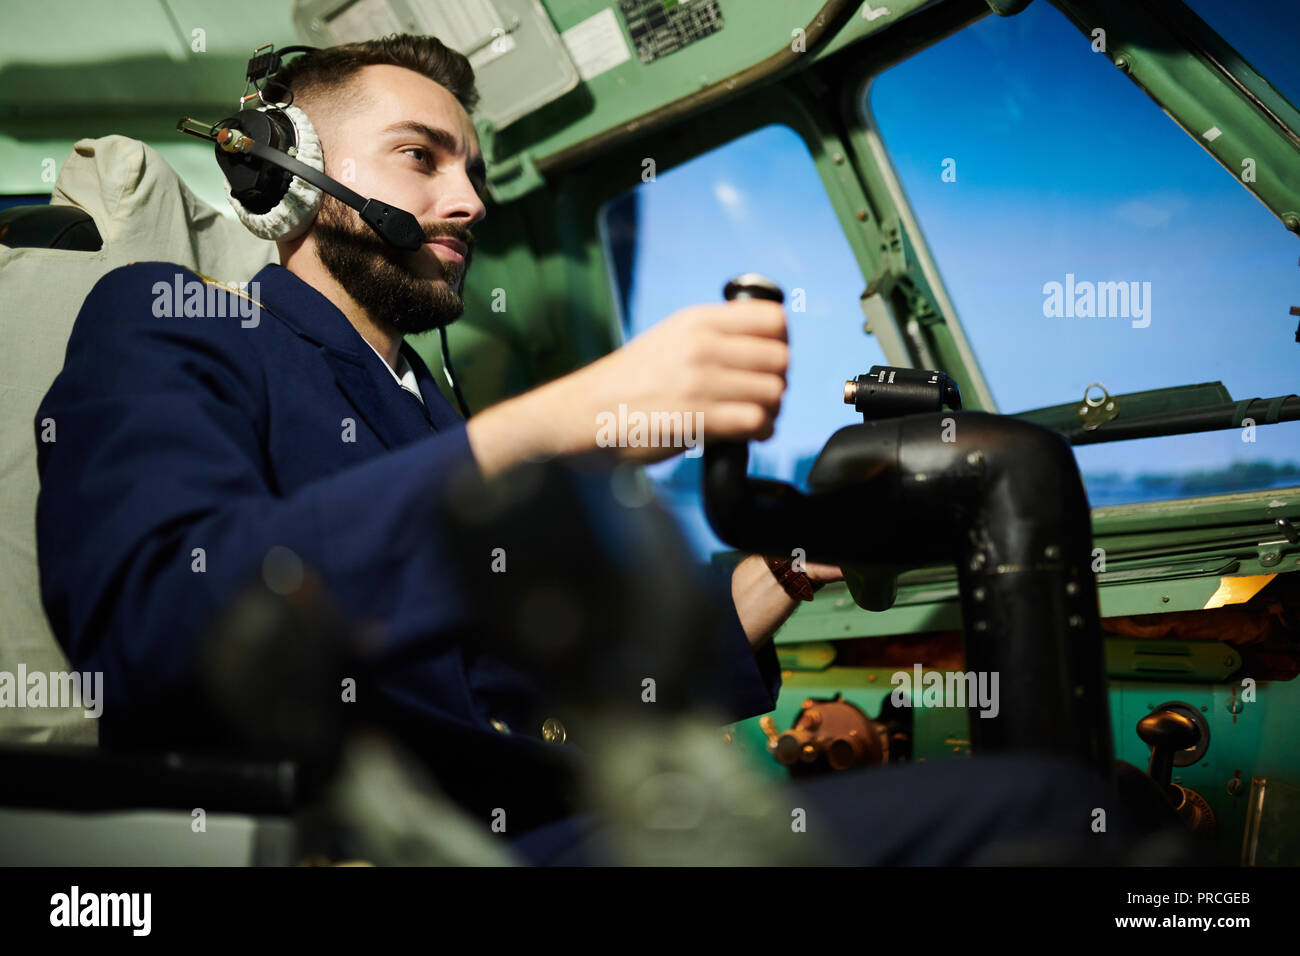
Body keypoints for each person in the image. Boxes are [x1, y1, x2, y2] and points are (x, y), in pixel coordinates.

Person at [34, 34, 1151, 864]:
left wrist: (791, 564)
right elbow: (150, 629)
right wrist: (554, 426)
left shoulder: (421, 407)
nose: (467, 200)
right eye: (421, 156)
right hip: (382, 841)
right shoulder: (174, 315)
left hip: (561, 818)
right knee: (1040, 810)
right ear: (284, 169)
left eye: (471, 168)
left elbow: (519, 681)